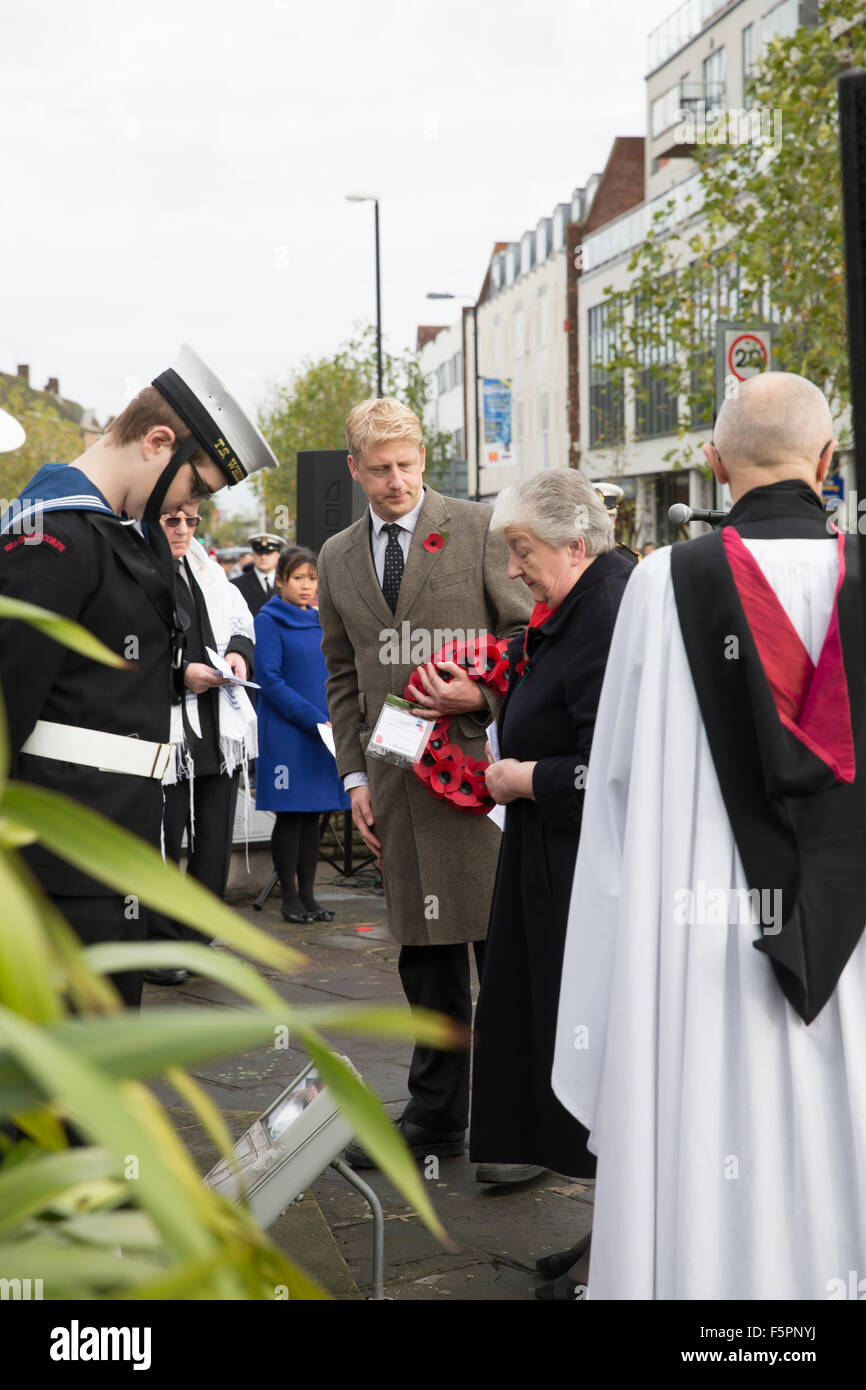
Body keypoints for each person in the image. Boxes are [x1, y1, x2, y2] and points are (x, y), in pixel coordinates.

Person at [552, 371, 866, 1299]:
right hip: (852, 952)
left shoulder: (662, 585)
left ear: (714, 464)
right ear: (827, 460)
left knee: (701, 1136)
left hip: (693, 949)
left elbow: (612, 786)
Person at [0, 345, 278, 1007]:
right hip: (60, 854)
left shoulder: (124, 534)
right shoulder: (52, 538)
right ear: (159, 442)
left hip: (118, 842)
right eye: (197, 487)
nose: (192, 506)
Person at [316, 397, 532, 1170]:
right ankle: (438, 1115)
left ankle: (521, 1125)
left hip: (480, 781)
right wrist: (351, 777)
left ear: (423, 457)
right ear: (354, 469)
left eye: (408, 464)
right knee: (424, 957)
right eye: (380, 469)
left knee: (500, 956)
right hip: (395, 783)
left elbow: (528, 633)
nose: (397, 481)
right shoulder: (337, 554)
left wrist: (483, 695)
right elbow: (342, 675)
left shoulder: (477, 528)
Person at [468, 470, 633, 1281]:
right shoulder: (583, 602)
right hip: (553, 861)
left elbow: (614, 763)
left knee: (595, 1053)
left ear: (575, 544)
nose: (515, 570)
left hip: (583, 874)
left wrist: (525, 779)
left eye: (523, 551)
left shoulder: (605, 608)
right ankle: (606, 1235)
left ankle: (618, 1248)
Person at [145, 503, 258, 986]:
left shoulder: (207, 570)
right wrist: (178, 675)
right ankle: (159, 940)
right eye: (173, 520)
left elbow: (240, 621)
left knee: (214, 831)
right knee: (164, 835)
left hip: (215, 724)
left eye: (191, 521)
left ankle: (198, 933)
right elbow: (124, 648)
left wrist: (237, 655)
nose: (184, 530)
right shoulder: (137, 570)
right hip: (161, 727)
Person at [255, 545, 349, 923]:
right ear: (280, 581)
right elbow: (269, 680)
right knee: (291, 815)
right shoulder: (268, 619)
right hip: (287, 731)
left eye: (312, 578)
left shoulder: (322, 620)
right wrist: (313, 718)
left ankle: (310, 897)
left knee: (312, 815)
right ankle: (289, 898)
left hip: (322, 731)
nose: (307, 586)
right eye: (298, 578)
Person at [231, 533, 283, 614]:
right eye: (259, 553)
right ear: (253, 554)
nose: (263, 557)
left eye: (268, 553)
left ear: (278, 555)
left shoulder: (287, 582)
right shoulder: (237, 585)